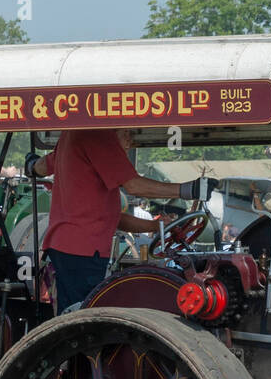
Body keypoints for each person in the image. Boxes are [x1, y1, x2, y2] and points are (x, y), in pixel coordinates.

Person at [25, 129, 215, 314]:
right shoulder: (96, 134)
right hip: (81, 252)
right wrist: (189, 190)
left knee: (77, 314)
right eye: (128, 134)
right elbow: (133, 185)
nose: (130, 142)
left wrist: (156, 227)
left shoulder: (72, 136)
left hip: (70, 248)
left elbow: (114, 218)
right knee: (80, 319)